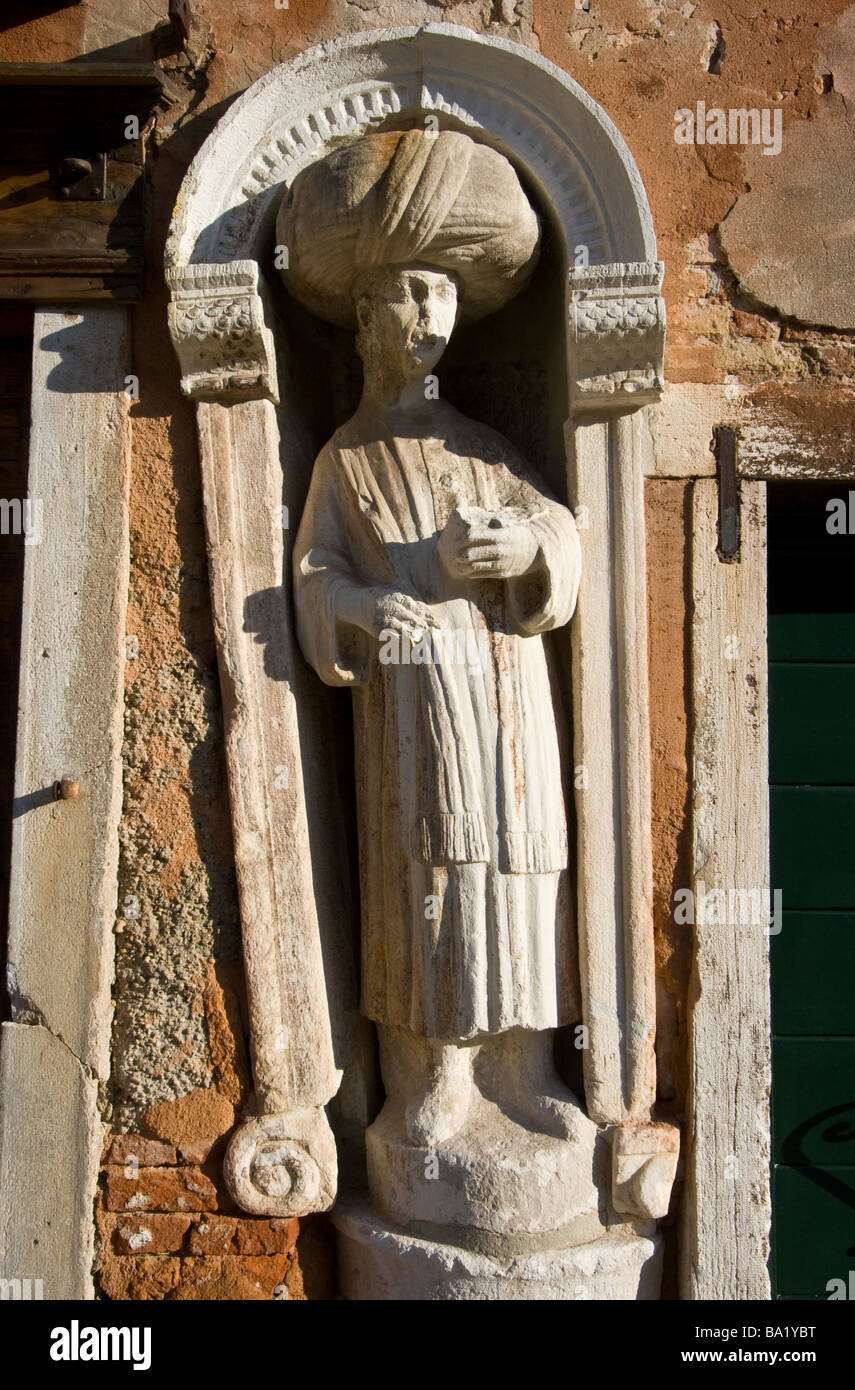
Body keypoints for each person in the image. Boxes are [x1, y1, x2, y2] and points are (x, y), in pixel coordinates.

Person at [285, 130, 586, 1146]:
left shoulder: (484, 448)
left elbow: (559, 531)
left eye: (441, 296)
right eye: (408, 295)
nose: (428, 315)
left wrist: (527, 548)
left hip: (507, 691)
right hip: (413, 706)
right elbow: (315, 575)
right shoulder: (344, 457)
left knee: (522, 862)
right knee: (431, 878)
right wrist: (362, 610)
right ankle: (437, 1077)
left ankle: (525, 1061)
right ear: (366, 315)